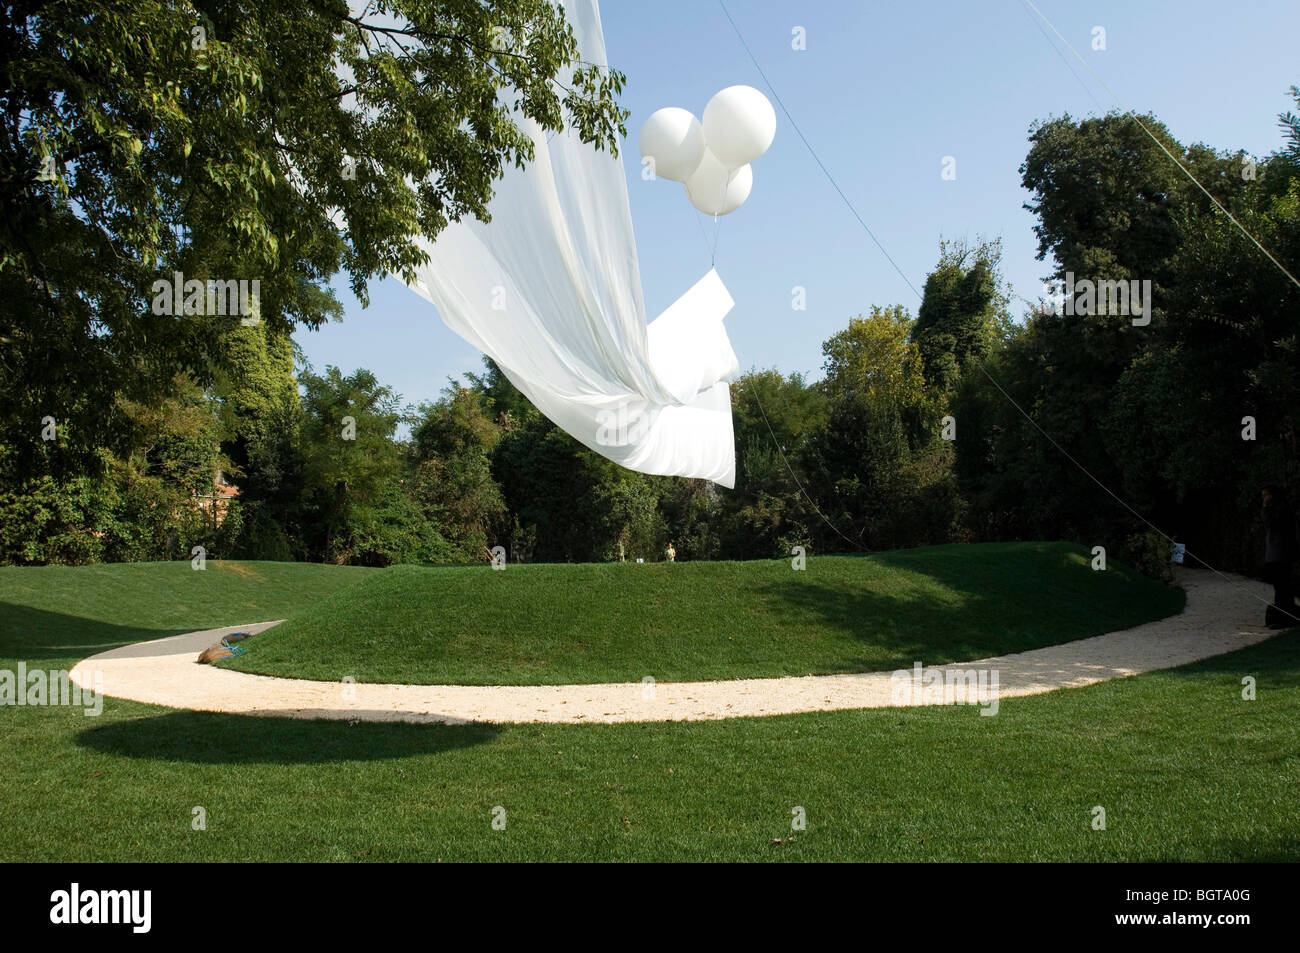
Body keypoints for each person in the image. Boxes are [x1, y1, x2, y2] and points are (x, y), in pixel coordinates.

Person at [1261, 485, 1298, 628]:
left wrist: (1265, 508)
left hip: (1280, 555)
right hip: (1278, 554)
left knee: (1282, 587)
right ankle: (1285, 616)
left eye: (1266, 495)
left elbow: (1269, 523)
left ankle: (1283, 618)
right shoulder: (1281, 509)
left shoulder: (1281, 510)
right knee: (1281, 587)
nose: (1264, 499)